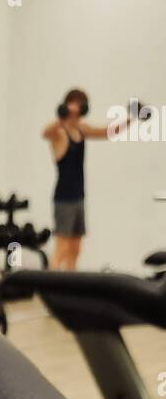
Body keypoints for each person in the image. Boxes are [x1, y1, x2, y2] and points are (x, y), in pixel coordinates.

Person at [42, 90, 131, 269]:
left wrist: (131, 118)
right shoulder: (59, 132)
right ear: (67, 104)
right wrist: (63, 116)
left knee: (75, 248)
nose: (76, 107)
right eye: (73, 102)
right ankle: (50, 289)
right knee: (62, 247)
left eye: (79, 103)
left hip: (79, 197)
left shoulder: (82, 129)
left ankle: (72, 286)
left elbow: (108, 132)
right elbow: (45, 132)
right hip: (63, 199)